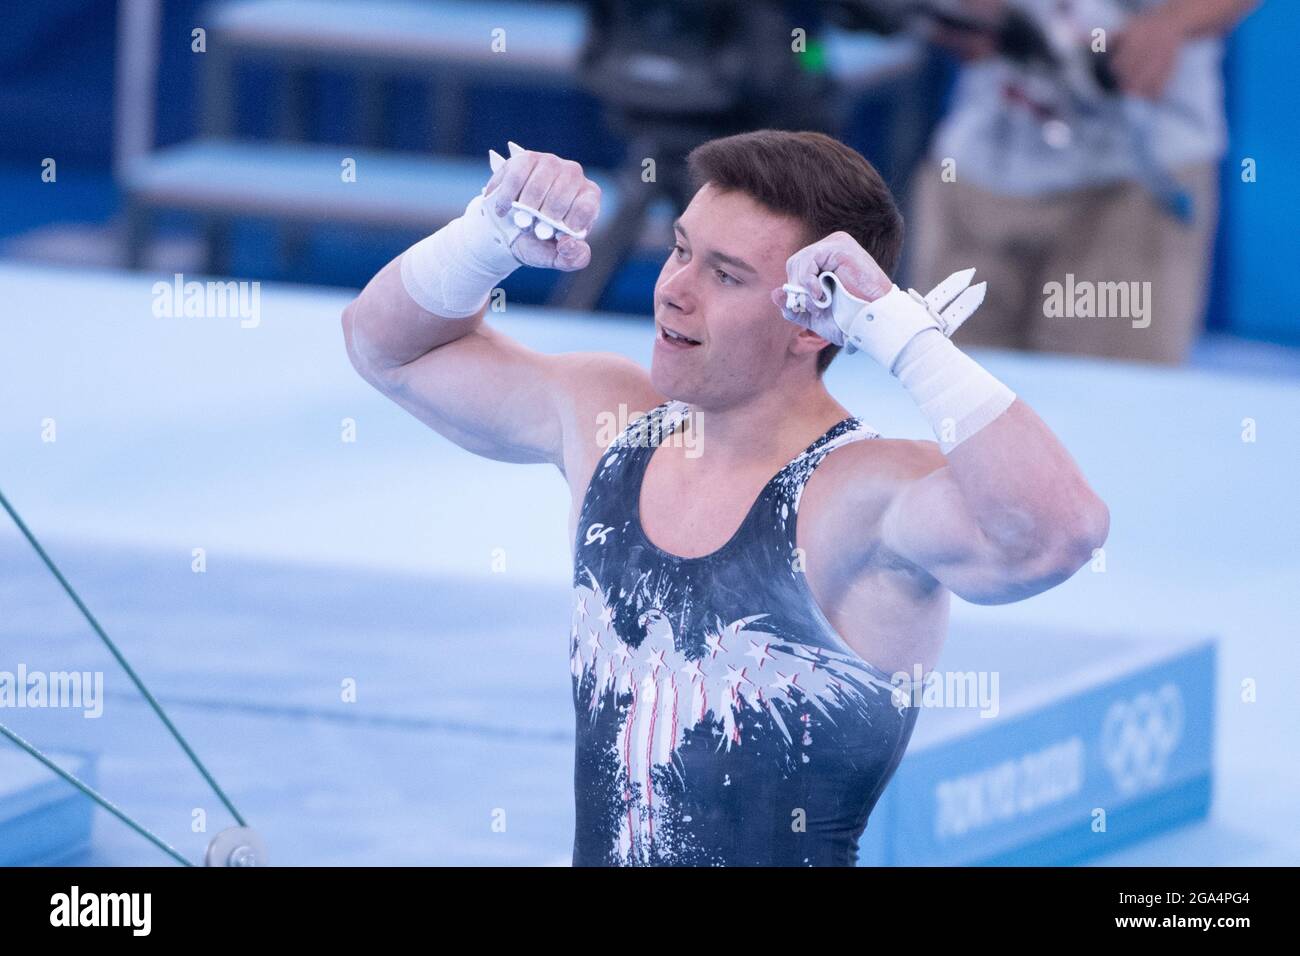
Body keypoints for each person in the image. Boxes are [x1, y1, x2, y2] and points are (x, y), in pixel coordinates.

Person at [341, 130, 1109, 866]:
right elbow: (385, 348)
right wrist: (485, 237)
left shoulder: (865, 495)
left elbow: (1057, 535)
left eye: (726, 274)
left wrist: (909, 342)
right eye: (680, 250)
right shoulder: (610, 424)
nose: (672, 291)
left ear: (814, 321)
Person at [909, 0, 1258, 364]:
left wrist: (1172, 23)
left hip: (1136, 174)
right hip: (982, 167)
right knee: (950, 391)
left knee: (1116, 397)